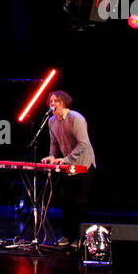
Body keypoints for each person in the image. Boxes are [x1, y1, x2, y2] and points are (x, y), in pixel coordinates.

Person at [41, 90, 97, 247]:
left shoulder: (75, 118)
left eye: (56, 101)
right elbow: (54, 144)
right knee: (65, 200)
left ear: (64, 103)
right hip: (68, 166)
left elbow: (83, 143)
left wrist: (66, 159)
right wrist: (52, 157)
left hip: (83, 164)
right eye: (51, 101)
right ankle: (67, 235)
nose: (53, 104)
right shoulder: (51, 121)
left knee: (80, 202)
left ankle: (81, 237)